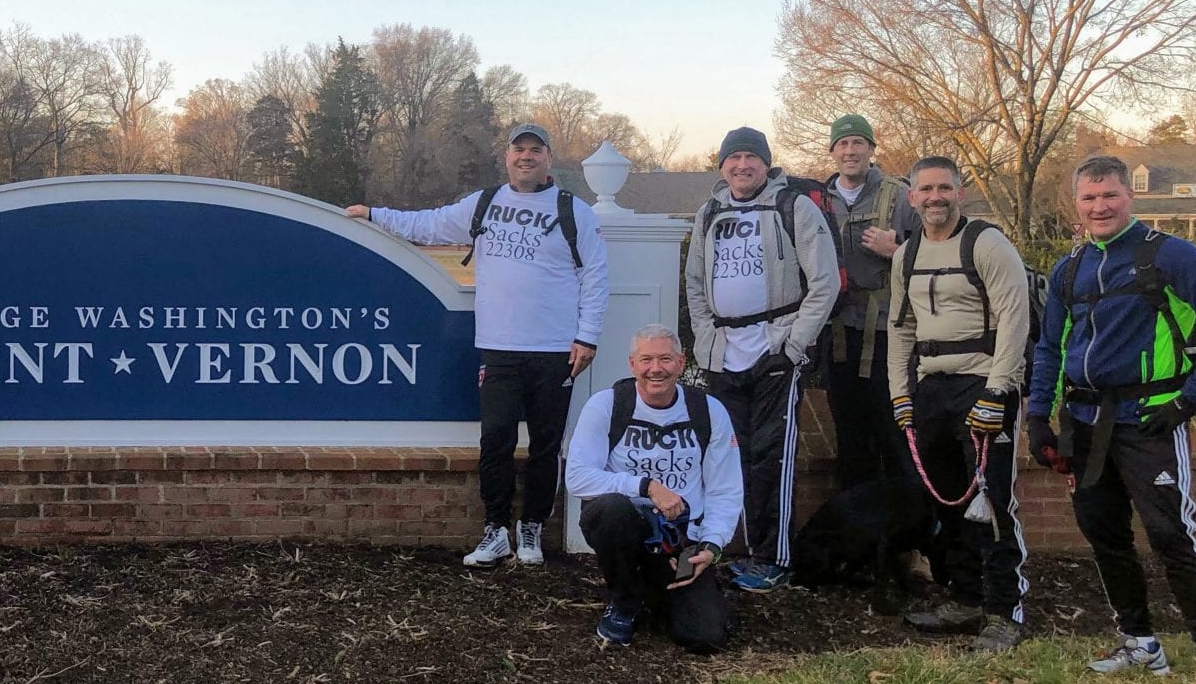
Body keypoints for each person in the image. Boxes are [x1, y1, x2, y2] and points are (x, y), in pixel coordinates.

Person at [347, 123, 610, 567]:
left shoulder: (574, 211)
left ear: (548, 159)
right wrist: (374, 214)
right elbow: (426, 224)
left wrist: (587, 337)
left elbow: (595, 275)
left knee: (547, 444)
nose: (525, 156)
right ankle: (495, 530)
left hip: (555, 349)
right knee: (496, 441)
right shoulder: (484, 203)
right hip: (498, 346)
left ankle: (531, 530)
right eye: (518, 149)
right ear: (506, 157)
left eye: (535, 150)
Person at [1028, 154, 1196, 684]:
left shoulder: (1172, 256)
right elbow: (1050, 347)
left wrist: (1189, 401)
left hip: (1151, 418)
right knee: (1103, 531)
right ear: (1075, 205)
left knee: (1171, 535)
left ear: (1130, 197)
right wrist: (1039, 415)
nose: (1099, 206)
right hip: (1084, 422)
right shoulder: (1069, 268)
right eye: (1089, 197)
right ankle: (1138, 640)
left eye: (1109, 195)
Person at [685, 126, 839, 592]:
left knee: (772, 457)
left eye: (751, 158)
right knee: (730, 457)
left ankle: (774, 557)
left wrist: (793, 346)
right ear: (722, 166)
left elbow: (824, 283)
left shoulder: (794, 207)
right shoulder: (709, 212)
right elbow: (694, 283)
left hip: (774, 351)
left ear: (765, 164)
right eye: (734, 159)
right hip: (723, 354)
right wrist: (706, 337)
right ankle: (739, 550)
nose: (742, 166)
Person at [885, 156, 1029, 651]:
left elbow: (1015, 318)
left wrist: (998, 389)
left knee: (989, 502)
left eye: (944, 187)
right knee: (948, 501)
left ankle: (1004, 610)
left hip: (981, 384)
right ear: (912, 197)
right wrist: (900, 395)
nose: (935, 197)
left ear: (959, 192)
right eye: (925, 189)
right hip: (932, 390)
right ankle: (966, 598)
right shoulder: (906, 254)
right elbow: (900, 328)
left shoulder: (987, 243)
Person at [564, 325, 740, 651]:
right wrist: (645, 486)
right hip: (631, 526)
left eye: (665, 359)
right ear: (632, 364)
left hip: (683, 538)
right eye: (646, 359)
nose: (655, 369)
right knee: (609, 510)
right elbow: (576, 477)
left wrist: (713, 545)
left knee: (704, 637)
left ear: (681, 362)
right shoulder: (606, 405)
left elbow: (725, 488)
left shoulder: (709, 411)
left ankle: (657, 590)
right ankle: (625, 602)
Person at [821, 114, 919, 487]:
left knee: (895, 433)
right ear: (832, 151)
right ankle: (857, 535)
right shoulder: (816, 200)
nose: (850, 151)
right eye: (843, 144)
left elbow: (936, 252)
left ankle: (903, 532)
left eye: (858, 143)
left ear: (871, 149)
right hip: (837, 335)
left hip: (887, 333)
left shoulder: (901, 196)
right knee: (849, 438)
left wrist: (896, 249)